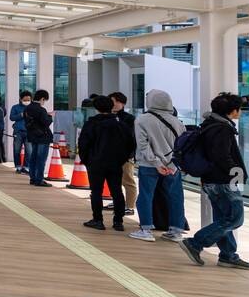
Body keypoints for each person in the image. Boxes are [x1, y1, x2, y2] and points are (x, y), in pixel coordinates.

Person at [178, 93, 249, 269]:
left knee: (223, 217)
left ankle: (228, 255)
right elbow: (221, 156)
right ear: (233, 110)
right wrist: (236, 173)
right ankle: (195, 243)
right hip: (223, 180)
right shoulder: (222, 128)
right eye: (239, 109)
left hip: (212, 180)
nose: (241, 112)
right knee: (234, 219)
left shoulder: (209, 125)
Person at [131, 89, 188, 243]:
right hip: (172, 166)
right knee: (175, 197)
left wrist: (157, 163)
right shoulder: (177, 121)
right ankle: (176, 230)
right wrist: (170, 164)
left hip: (149, 165)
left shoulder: (142, 120)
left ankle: (146, 229)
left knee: (146, 196)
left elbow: (143, 145)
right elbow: (181, 146)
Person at [78, 95, 135, 231]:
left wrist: (87, 160)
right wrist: (122, 159)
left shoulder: (91, 124)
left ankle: (98, 220)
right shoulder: (121, 124)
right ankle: (118, 221)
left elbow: (83, 144)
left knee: (96, 191)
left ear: (96, 108)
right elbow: (130, 143)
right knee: (117, 191)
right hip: (116, 163)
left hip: (96, 163)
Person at [110, 92, 138, 217]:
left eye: (115, 101)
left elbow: (132, 138)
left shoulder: (129, 118)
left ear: (122, 103)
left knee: (128, 180)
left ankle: (130, 206)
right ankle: (117, 202)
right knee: (114, 180)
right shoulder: (108, 116)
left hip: (126, 155)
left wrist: (130, 154)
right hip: (111, 154)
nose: (113, 104)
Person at [25, 90, 54, 186]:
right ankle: (39, 180)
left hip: (33, 136)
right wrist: (50, 117)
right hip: (43, 137)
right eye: (44, 100)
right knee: (41, 159)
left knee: (33, 158)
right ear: (42, 99)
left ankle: (32, 178)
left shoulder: (28, 108)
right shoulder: (41, 110)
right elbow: (46, 123)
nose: (44, 102)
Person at [9, 91, 30, 173]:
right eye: (25, 100)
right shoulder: (15, 107)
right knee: (16, 150)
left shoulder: (32, 107)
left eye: (28, 99)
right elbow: (11, 117)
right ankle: (18, 166)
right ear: (21, 99)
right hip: (18, 132)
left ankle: (26, 167)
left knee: (29, 151)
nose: (27, 101)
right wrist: (20, 115)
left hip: (29, 132)